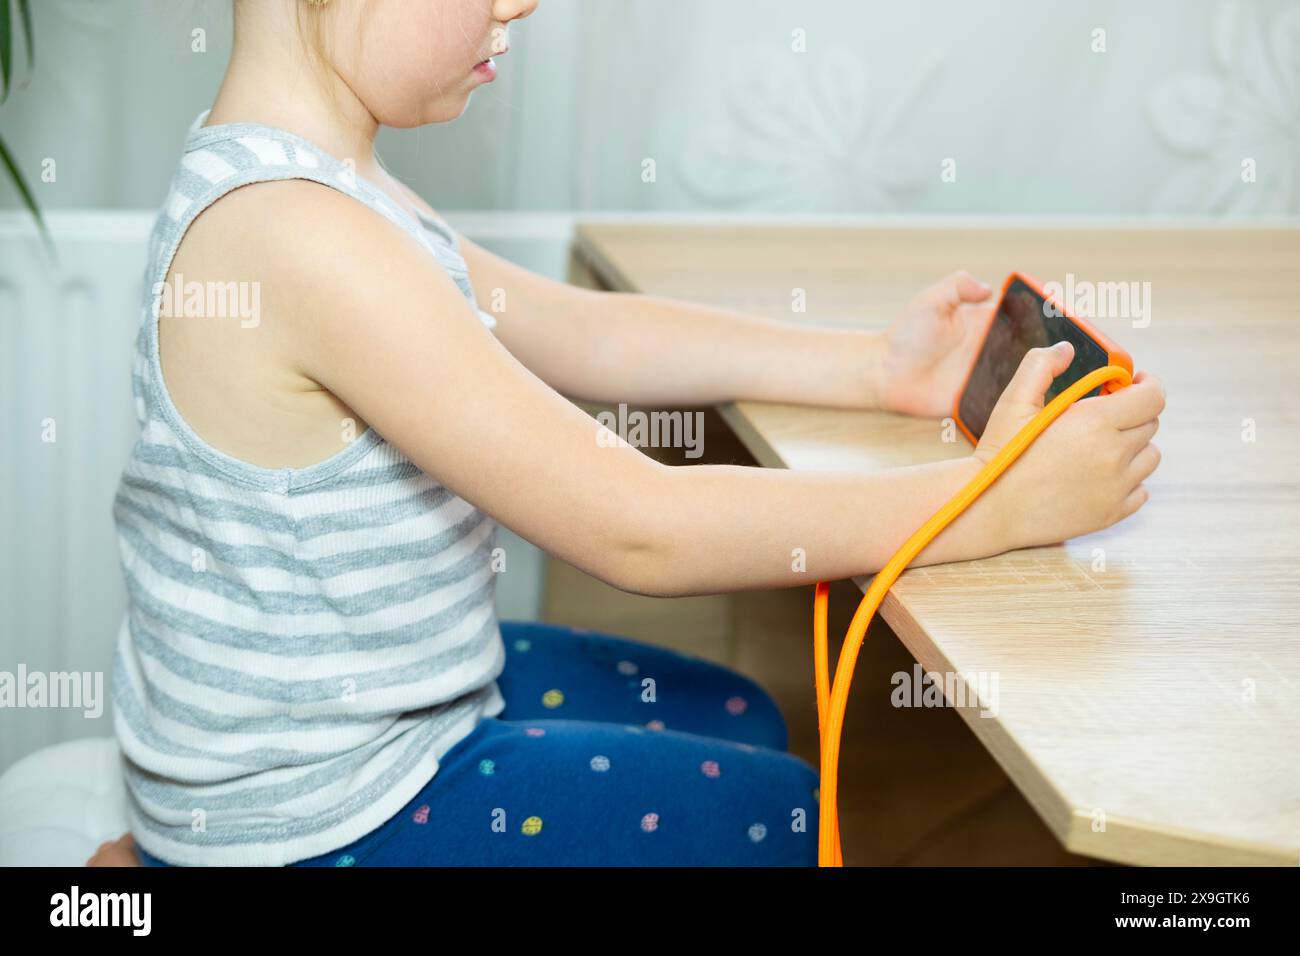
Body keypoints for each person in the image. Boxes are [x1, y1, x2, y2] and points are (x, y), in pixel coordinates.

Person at [88, 0, 1163, 867]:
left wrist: (870, 365)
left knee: (743, 709)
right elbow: (636, 528)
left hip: (346, 729)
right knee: (788, 813)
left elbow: (576, 329)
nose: (522, 5)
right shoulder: (303, 238)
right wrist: (996, 503)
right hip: (327, 811)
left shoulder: (323, 185)